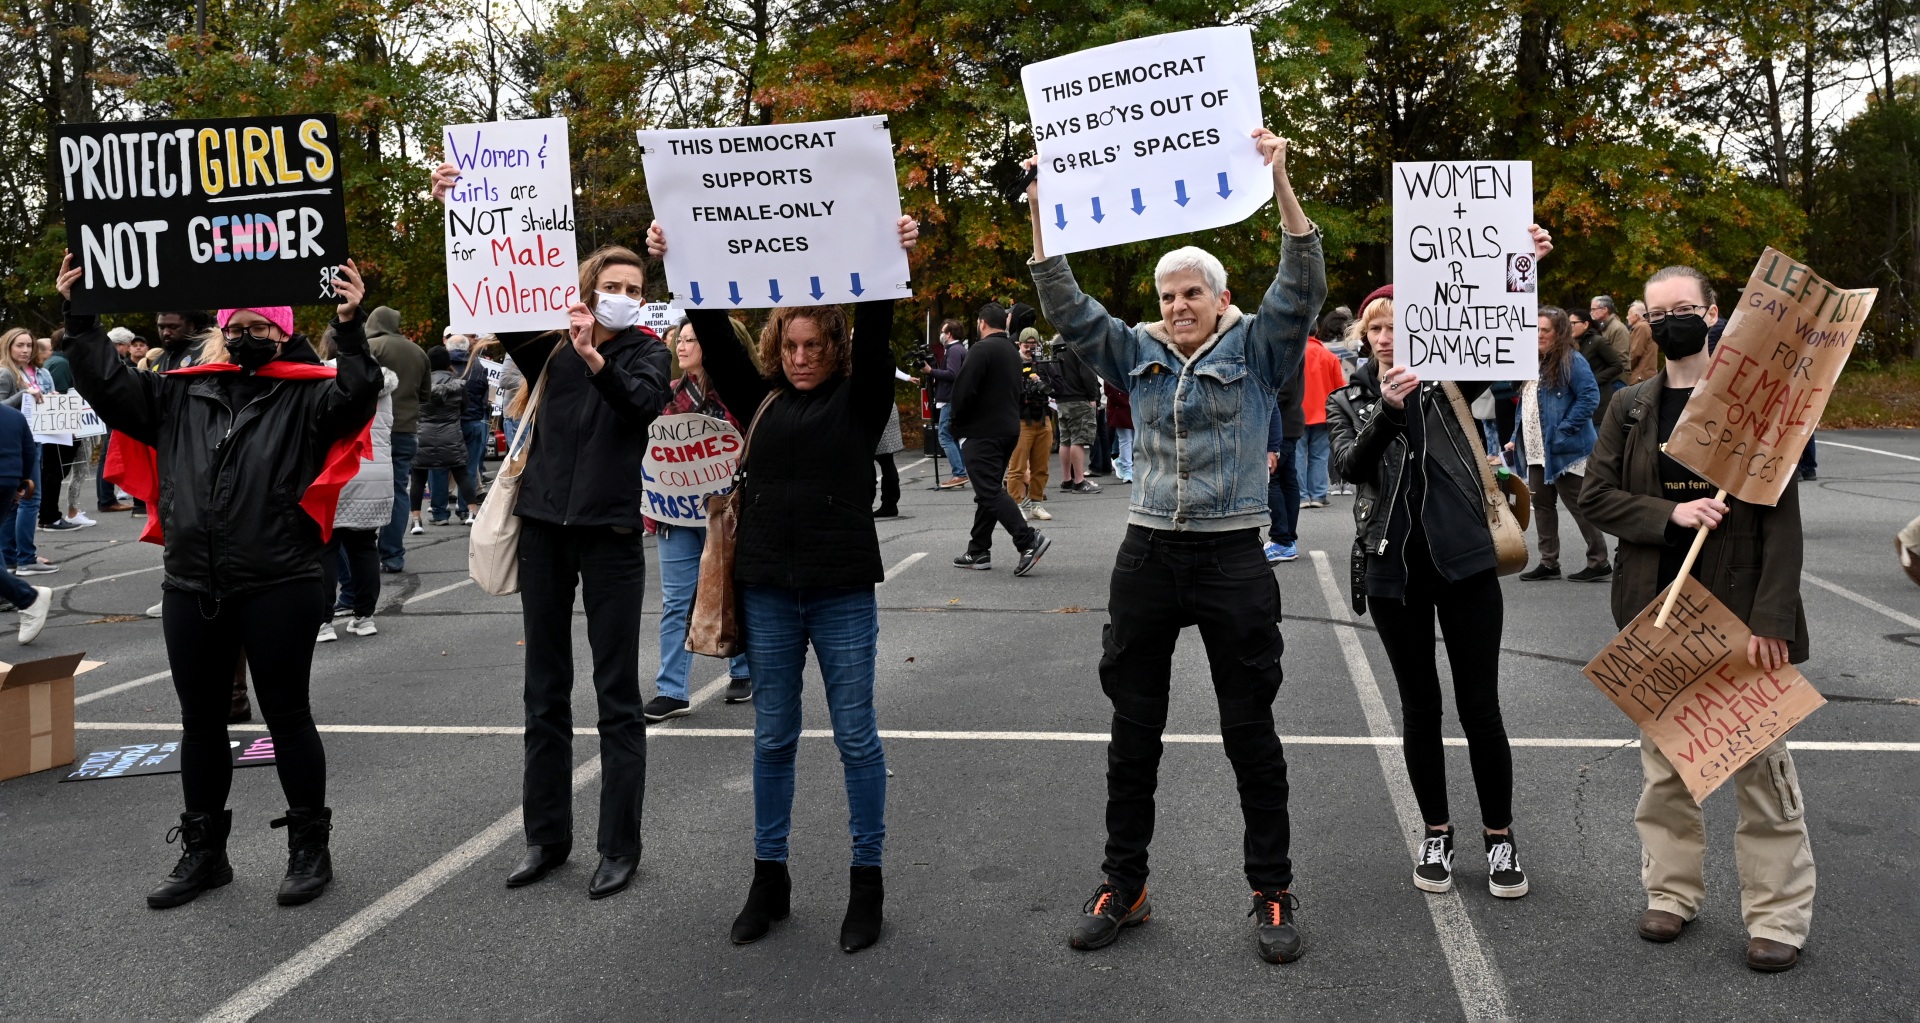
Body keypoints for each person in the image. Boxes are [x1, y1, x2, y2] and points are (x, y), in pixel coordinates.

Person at [1026, 129, 1320, 965]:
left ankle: (1272, 888)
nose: (1178, 305)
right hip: (1149, 553)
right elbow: (1064, 303)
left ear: (1221, 298)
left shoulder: (1262, 347)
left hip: (1232, 558)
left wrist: (1282, 181)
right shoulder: (1136, 349)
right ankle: (1127, 884)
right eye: (1168, 295)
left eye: (1192, 292)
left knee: (1249, 730)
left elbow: (1303, 276)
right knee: (1133, 731)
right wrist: (1046, 205)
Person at [59, 251, 379, 909]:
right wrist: (82, 318)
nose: (249, 335)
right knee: (200, 720)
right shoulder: (178, 387)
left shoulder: (310, 391)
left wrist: (348, 327)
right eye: (240, 324)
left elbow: (356, 397)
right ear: (220, 327)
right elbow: (107, 387)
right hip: (192, 583)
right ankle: (204, 852)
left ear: (285, 330)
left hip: (280, 579)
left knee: (288, 715)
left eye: (265, 326)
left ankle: (308, 847)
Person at [648, 212, 919, 954]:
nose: (800, 356)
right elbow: (706, 311)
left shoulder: (860, 399)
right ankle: (770, 877)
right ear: (775, 346)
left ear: (835, 347)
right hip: (766, 590)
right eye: (789, 345)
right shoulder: (756, 395)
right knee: (772, 737)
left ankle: (868, 881)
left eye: (814, 345)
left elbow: (878, 322)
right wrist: (679, 258)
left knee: (857, 738)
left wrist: (889, 252)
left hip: (839, 593)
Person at [439, 145, 675, 903]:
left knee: (616, 695)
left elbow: (641, 407)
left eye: (632, 287)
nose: (621, 295)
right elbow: (491, 285)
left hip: (610, 534)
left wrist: (597, 359)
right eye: (610, 285)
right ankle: (546, 835)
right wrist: (454, 202)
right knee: (544, 689)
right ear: (585, 288)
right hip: (543, 527)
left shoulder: (647, 354)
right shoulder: (549, 349)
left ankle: (619, 845)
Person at [1577, 265, 1815, 974]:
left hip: (1741, 611)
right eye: (1658, 311)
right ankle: (1671, 891)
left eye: (1686, 307)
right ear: (1644, 321)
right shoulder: (1630, 406)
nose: (1672, 319)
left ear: (1715, 313)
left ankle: (1776, 913)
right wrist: (1669, 514)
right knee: (1665, 766)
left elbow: (1784, 524)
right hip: (1658, 608)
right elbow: (1596, 496)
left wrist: (1772, 619)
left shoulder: (1757, 405)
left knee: (1762, 772)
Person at [1326, 222, 1555, 907]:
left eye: (1400, 323)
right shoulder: (1351, 398)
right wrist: (1388, 413)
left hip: (1465, 564)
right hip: (1393, 569)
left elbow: (1500, 323)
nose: (1388, 336)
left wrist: (1524, 263)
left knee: (1480, 706)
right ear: (1363, 337)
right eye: (1376, 326)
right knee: (1420, 708)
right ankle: (1436, 830)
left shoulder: (1452, 380)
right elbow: (1347, 466)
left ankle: (1500, 834)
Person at [643, 316, 753, 722]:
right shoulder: (665, 394)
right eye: (681, 340)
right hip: (672, 513)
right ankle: (671, 689)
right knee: (676, 602)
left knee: (731, 590)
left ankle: (742, 669)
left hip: (724, 511)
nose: (683, 346)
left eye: (693, 339)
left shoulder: (738, 393)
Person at [947, 302, 1052, 574]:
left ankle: (1027, 540)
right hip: (1008, 428)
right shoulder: (1010, 350)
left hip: (982, 431)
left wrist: (955, 424)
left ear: (982, 323)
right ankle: (978, 550)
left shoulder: (981, 350)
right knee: (989, 488)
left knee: (989, 490)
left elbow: (963, 392)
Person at [1510, 307, 1609, 582]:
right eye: (1535, 329)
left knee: (1579, 504)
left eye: (1545, 330)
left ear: (1559, 332)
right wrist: (1515, 436)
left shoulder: (1571, 360)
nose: (1539, 335)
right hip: (1536, 448)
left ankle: (1599, 560)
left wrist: (1564, 430)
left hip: (1564, 448)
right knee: (1542, 505)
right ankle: (1549, 562)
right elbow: (1528, 404)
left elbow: (1589, 397)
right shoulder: (1531, 362)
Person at [318, 347, 396, 642]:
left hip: (337, 472)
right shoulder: (383, 386)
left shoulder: (327, 378)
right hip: (375, 475)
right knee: (364, 546)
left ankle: (323, 621)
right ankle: (365, 617)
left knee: (325, 547)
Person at [366, 306, 430, 573]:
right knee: (398, 490)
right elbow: (425, 395)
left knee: (365, 492)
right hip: (406, 430)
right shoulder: (418, 352)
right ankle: (393, 555)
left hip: (373, 430)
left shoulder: (370, 346)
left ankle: (363, 554)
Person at [0, 329, 58, 575]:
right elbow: (1, 407)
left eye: (28, 345)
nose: (25, 350)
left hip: (34, 438)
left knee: (18, 499)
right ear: (8, 347)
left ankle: (12, 558)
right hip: (18, 442)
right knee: (29, 498)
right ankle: (25, 558)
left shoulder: (35, 371)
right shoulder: (6, 373)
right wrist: (25, 394)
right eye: (19, 345)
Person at [406, 347, 477, 531]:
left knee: (418, 478)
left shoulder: (420, 383)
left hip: (423, 435)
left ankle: (415, 521)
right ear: (448, 363)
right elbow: (465, 407)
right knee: (462, 474)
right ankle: (471, 513)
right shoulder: (457, 384)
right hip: (451, 433)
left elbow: (412, 408)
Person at [0, 396, 52, 637]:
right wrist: (19, 485)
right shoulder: (14, 415)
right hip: (9, 481)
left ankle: (27, 597)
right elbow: (29, 453)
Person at [1006, 328, 1056, 522]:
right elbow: (1007, 391)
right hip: (1021, 421)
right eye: (1026, 346)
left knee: (1041, 467)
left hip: (1043, 419)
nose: (1029, 350)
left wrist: (1041, 381)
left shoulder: (1043, 364)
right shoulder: (1013, 364)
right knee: (1017, 468)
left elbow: (1057, 386)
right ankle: (1015, 504)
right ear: (1019, 345)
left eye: (1033, 346)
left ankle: (1036, 503)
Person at [1295, 327, 1345, 508]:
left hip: (1297, 413)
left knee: (1298, 455)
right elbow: (1340, 388)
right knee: (1320, 456)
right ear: (1316, 332)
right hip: (1323, 413)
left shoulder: (1294, 355)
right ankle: (1318, 495)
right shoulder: (1329, 356)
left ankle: (1301, 496)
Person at [1051, 330, 1102, 493]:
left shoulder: (1056, 342)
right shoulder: (1079, 340)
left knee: (1065, 439)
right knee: (1078, 439)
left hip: (1062, 398)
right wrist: (1093, 396)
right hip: (1079, 396)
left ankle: (1067, 480)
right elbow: (1087, 372)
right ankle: (1080, 480)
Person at [926, 319, 969, 489]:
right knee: (953, 436)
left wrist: (931, 371)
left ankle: (959, 473)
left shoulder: (953, 351)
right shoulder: (959, 350)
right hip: (955, 398)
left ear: (949, 334)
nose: (941, 336)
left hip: (950, 399)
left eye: (943, 332)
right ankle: (960, 473)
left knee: (945, 436)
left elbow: (952, 374)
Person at [1570, 308, 1626, 424]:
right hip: (1579, 401)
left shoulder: (1598, 341)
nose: (1570, 327)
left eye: (1573, 323)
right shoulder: (1571, 345)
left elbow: (1617, 366)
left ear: (1585, 324)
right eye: (1568, 324)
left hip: (1599, 402)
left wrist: (1593, 380)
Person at [1265, 386, 1301, 563]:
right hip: (1290, 422)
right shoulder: (1297, 357)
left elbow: (1277, 390)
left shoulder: (1285, 358)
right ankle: (1286, 539)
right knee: (1287, 481)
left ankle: (1282, 540)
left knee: (1272, 480)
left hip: (1280, 425)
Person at [1104, 380, 1133, 484]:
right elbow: (1109, 388)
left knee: (1130, 439)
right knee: (1126, 438)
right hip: (1121, 404)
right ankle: (1127, 469)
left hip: (1125, 402)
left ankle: (1124, 464)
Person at [1590, 295, 1632, 364]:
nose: (1591, 312)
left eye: (1593, 309)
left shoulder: (1618, 328)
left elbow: (1621, 359)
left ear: (1604, 310)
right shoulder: (1604, 326)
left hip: (1617, 374)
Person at [1625, 300, 1659, 384]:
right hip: (1645, 376)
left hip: (1639, 377)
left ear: (1636, 316)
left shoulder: (1641, 327)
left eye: (1629, 314)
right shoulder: (1647, 326)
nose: (1627, 317)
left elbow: (1635, 353)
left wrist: (1625, 370)